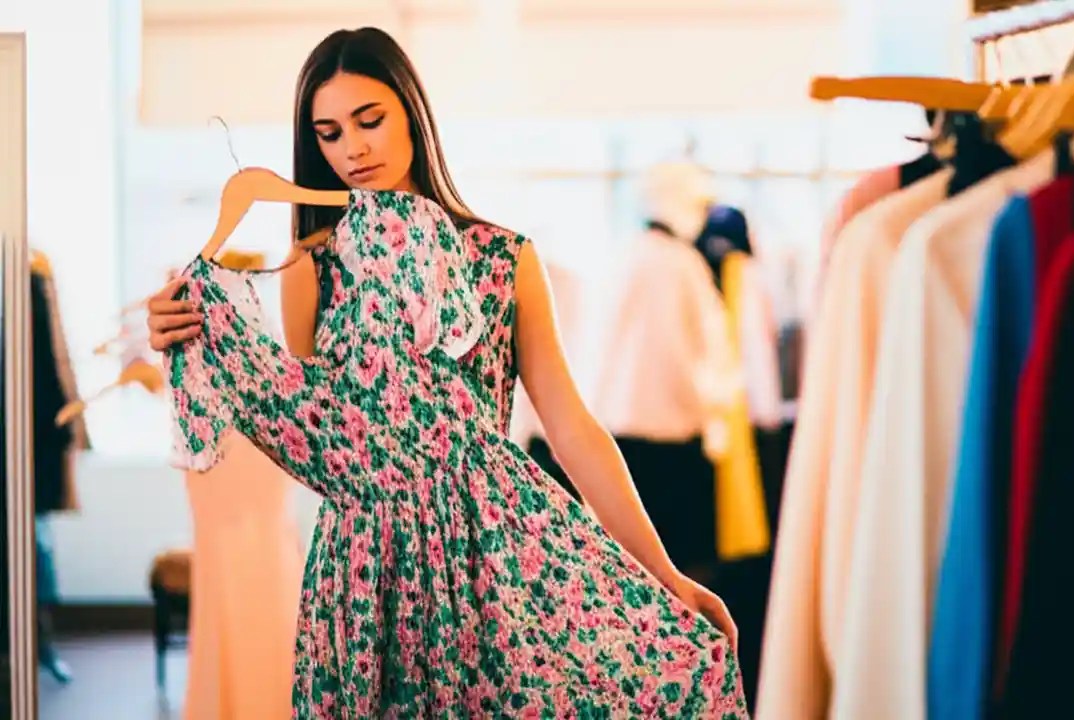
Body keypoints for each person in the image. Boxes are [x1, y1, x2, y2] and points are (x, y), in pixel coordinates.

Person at [145, 26, 745, 717]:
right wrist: (187, 342)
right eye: (331, 133)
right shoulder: (314, 267)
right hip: (363, 575)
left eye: (370, 120)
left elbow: (572, 426)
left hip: (489, 558)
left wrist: (661, 571)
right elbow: (314, 433)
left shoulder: (501, 259)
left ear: (412, 113)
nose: (353, 149)